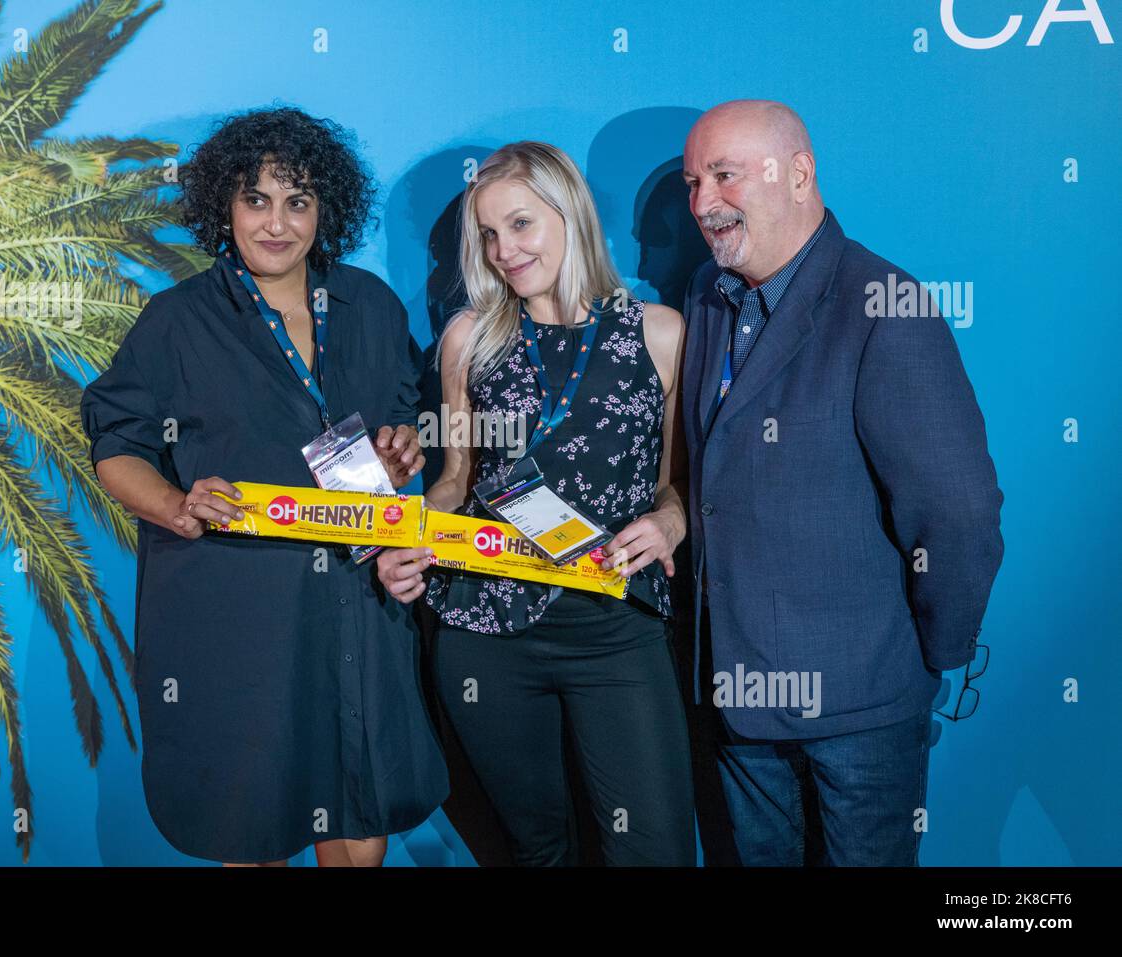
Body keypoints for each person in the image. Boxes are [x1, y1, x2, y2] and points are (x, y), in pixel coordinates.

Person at [80, 107, 448, 866]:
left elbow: (406, 419)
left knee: (357, 801)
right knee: (252, 815)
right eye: (256, 199)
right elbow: (116, 446)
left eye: (298, 200)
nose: (277, 223)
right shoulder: (176, 321)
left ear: (325, 210)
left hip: (357, 602)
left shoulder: (370, 305)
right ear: (224, 205)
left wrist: (405, 447)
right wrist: (177, 506)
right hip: (237, 612)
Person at [678, 99, 1003, 865]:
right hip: (738, 704)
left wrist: (930, 654)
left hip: (861, 709)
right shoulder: (707, 294)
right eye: (693, 183)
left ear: (799, 174)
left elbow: (958, 512)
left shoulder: (885, 306)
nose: (701, 204)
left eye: (724, 176)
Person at [377, 142, 696, 866]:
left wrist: (672, 519)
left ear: (570, 213)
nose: (504, 250)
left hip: (617, 623)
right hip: (489, 628)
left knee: (656, 849)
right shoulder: (469, 339)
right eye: (488, 235)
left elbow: (675, 481)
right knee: (535, 850)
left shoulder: (660, 332)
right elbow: (458, 478)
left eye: (520, 224)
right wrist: (412, 535)